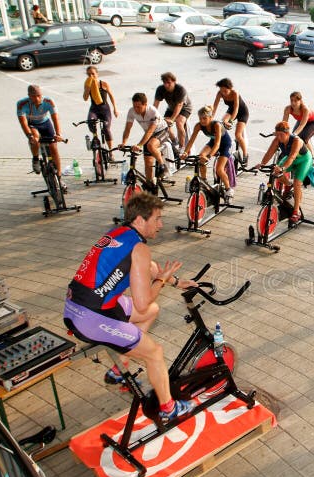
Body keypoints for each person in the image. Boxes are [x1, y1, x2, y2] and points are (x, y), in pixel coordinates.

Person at [63, 193, 198, 422]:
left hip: (78, 305)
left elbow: (148, 266)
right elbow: (142, 304)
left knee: (154, 311)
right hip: (90, 316)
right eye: (157, 219)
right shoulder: (140, 248)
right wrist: (162, 280)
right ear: (140, 220)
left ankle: (120, 368)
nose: (161, 225)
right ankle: (169, 409)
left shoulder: (120, 233)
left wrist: (176, 281)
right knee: (154, 353)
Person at [254, 121, 313, 225]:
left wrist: (282, 168)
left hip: (304, 160)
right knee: (276, 174)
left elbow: (292, 157)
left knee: (297, 183)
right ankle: (289, 184)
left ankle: (296, 212)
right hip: (291, 159)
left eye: (281, 135)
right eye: (277, 135)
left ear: (288, 133)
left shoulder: (296, 141)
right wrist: (262, 164)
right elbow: (269, 153)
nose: (279, 137)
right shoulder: (277, 140)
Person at [182, 105, 233, 199]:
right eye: (200, 118)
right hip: (213, 142)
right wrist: (185, 152)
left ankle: (228, 189)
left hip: (225, 144)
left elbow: (217, 144)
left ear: (211, 118)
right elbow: (191, 140)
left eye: (204, 118)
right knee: (201, 157)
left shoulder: (216, 125)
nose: (202, 121)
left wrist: (209, 157)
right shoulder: (198, 126)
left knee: (219, 169)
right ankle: (204, 181)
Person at [121, 92, 171, 182]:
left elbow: (150, 131)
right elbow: (127, 129)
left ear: (145, 104)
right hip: (149, 134)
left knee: (150, 145)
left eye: (138, 107)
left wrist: (139, 145)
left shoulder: (152, 111)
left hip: (162, 131)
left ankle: (162, 165)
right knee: (148, 162)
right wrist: (123, 143)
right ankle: (149, 183)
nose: (136, 109)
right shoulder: (131, 111)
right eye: (134, 106)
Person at [17, 84, 63, 177]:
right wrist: (29, 136)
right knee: (35, 138)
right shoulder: (21, 103)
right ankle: (35, 159)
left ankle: (59, 177)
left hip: (45, 123)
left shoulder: (49, 101)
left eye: (39, 96)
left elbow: (55, 118)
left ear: (42, 94)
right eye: (34, 96)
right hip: (32, 124)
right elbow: (23, 122)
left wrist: (58, 134)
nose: (37, 99)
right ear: (29, 96)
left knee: (54, 147)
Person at [211, 78, 248, 163]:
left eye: (225, 91)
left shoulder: (235, 93)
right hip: (231, 110)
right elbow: (215, 106)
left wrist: (230, 121)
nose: (223, 93)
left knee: (238, 135)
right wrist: (211, 118)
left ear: (230, 88)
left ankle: (245, 155)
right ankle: (219, 147)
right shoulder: (220, 93)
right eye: (221, 91)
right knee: (221, 125)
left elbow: (236, 109)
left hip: (242, 112)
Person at [82, 66, 118, 151]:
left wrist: (115, 108)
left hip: (104, 109)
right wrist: (87, 89)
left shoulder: (104, 84)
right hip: (94, 109)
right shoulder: (88, 85)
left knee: (106, 129)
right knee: (91, 122)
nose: (91, 76)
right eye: (89, 75)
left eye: (93, 74)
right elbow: (85, 98)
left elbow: (111, 96)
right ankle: (95, 139)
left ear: (97, 74)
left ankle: (110, 151)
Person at [153, 72, 192, 150]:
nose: (166, 85)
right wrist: (152, 116)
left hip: (185, 108)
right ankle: (175, 141)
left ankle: (182, 147)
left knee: (179, 123)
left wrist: (172, 119)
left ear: (174, 81)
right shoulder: (160, 89)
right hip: (171, 108)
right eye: (164, 83)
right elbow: (155, 104)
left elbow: (179, 105)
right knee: (164, 125)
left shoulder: (180, 89)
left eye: (169, 83)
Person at [282, 91, 314, 158]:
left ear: (300, 101)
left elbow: (302, 125)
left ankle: (312, 157)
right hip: (301, 121)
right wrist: (281, 131)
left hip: (312, 122)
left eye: (295, 101)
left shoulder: (305, 109)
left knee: (304, 139)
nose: (293, 103)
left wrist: (294, 134)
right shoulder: (288, 109)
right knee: (293, 139)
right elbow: (284, 123)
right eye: (291, 100)